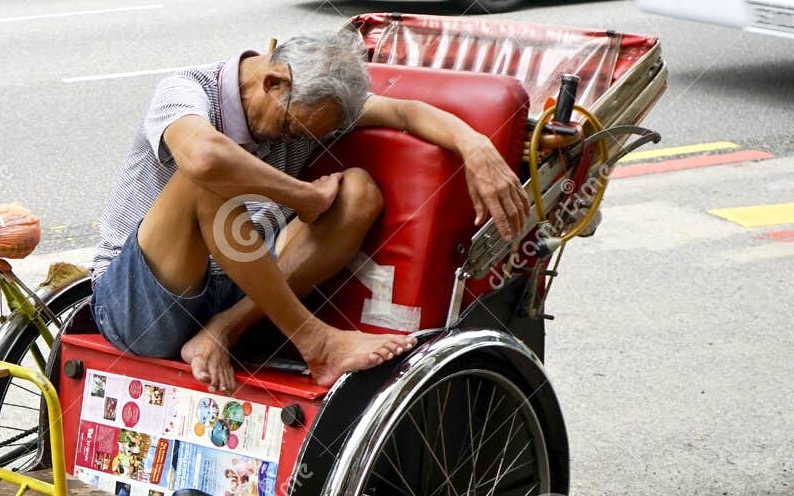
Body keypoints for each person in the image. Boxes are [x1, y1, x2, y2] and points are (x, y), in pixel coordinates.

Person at [91, 28, 529, 394]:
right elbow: (205, 159)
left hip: (241, 289)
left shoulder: (315, 108)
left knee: (358, 191)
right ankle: (315, 341)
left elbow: (405, 112)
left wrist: (475, 145)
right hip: (143, 305)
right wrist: (302, 196)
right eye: (288, 129)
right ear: (274, 81)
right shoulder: (185, 89)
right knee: (203, 179)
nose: (288, 142)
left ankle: (225, 329)